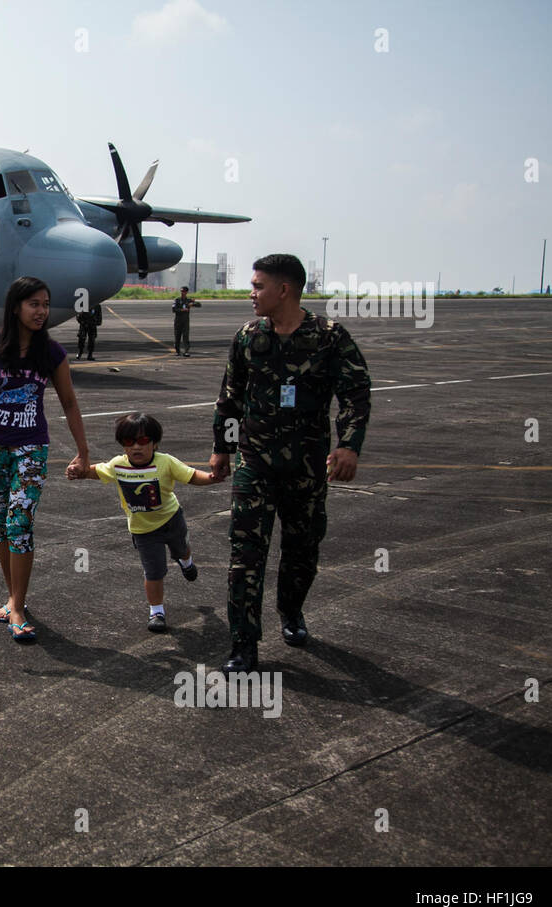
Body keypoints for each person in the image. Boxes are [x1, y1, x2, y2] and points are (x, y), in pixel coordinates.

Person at [209, 254, 371, 673]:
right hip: (254, 464)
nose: (251, 293)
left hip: (307, 467)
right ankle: (243, 643)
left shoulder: (329, 337)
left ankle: (290, 610)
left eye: (259, 286)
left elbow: (355, 392)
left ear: (285, 290)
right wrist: (222, 449)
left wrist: (349, 444)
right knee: (245, 554)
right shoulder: (247, 337)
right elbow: (229, 398)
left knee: (302, 549)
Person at [0, 275, 90, 640]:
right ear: (16, 307)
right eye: (34, 304)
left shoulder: (52, 353)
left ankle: (16, 606)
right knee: (1, 526)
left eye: (45, 304)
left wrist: (83, 451)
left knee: (20, 523)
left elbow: (70, 403)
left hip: (32, 447)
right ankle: (15, 598)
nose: (42, 311)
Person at [67, 413, 221, 631]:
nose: (136, 447)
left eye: (143, 441)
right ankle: (156, 611)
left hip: (171, 519)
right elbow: (95, 471)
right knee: (154, 572)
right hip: (143, 531)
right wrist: (79, 471)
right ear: (123, 445)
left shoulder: (165, 462)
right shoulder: (118, 465)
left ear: (154, 442)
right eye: (129, 442)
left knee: (181, 549)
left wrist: (211, 478)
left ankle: (186, 562)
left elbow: (192, 475)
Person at [171, 285, 200, 356]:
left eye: (183, 291)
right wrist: (182, 310)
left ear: (186, 292)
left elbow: (199, 305)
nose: (182, 293)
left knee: (186, 336)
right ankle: (177, 351)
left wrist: (193, 303)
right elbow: (174, 309)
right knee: (177, 336)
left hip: (185, 321)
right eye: (181, 291)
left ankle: (186, 351)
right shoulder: (177, 300)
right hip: (178, 321)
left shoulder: (188, 300)